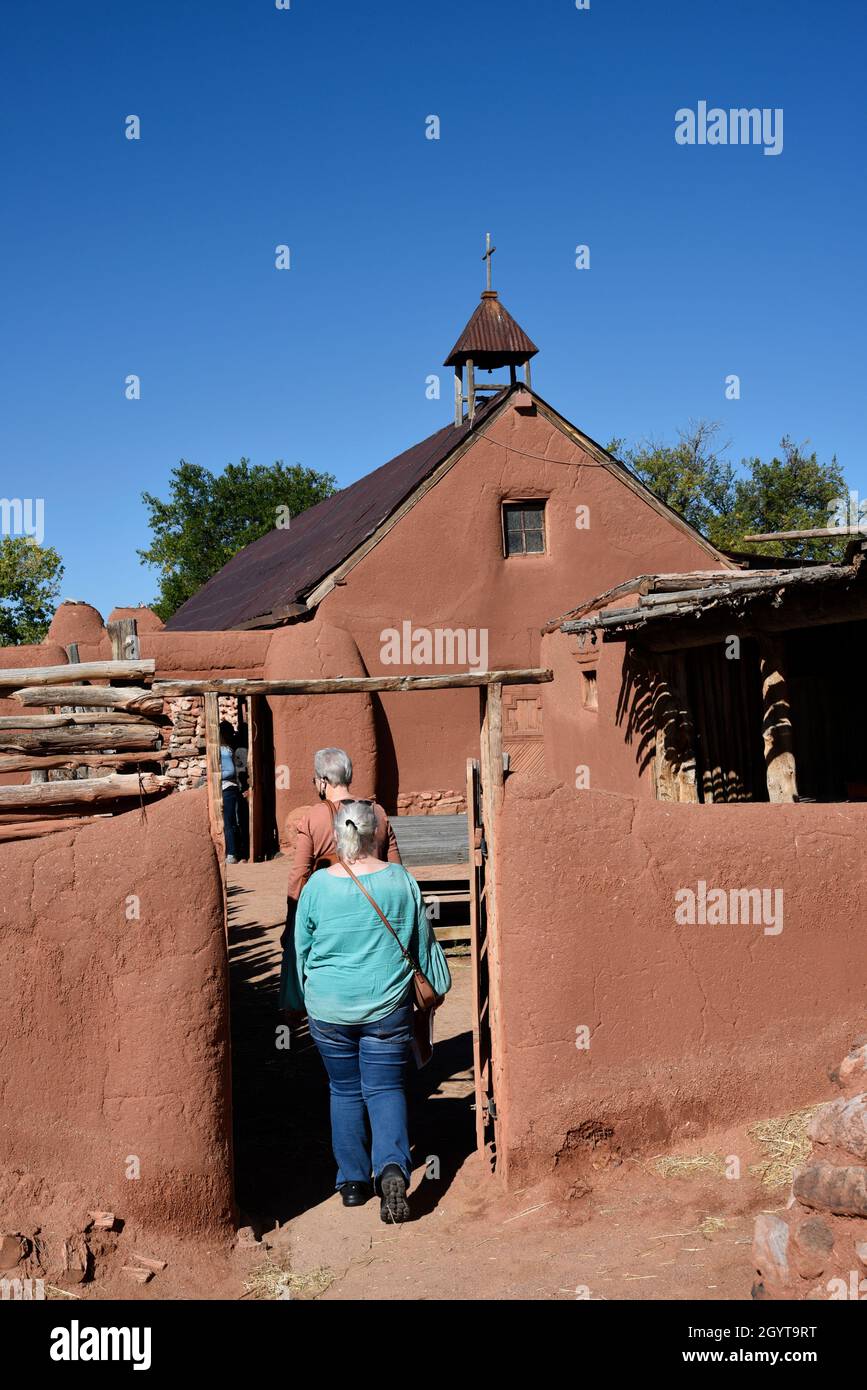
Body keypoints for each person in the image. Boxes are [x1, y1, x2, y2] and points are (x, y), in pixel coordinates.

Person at [279, 799, 451, 1222]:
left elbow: (298, 950)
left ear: (338, 837)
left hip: (330, 1009)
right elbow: (421, 942)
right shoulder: (400, 880)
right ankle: (391, 1167)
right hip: (386, 1008)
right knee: (385, 1088)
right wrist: (438, 987)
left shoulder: (317, 888)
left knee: (344, 1089)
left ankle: (353, 1182)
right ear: (376, 834)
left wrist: (293, 1003)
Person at [283, 747, 401, 940]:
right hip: (376, 911)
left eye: (315, 780)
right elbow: (396, 869)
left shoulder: (313, 817)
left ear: (323, 781)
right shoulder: (377, 811)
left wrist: (292, 923)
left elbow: (299, 875)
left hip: (331, 917)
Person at [219, 721, 244, 864]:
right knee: (230, 821)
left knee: (228, 822)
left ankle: (232, 853)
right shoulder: (226, 749)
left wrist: (214, 775)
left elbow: (229, 771)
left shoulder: (223, 751)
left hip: (227, 788)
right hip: (228, 788)